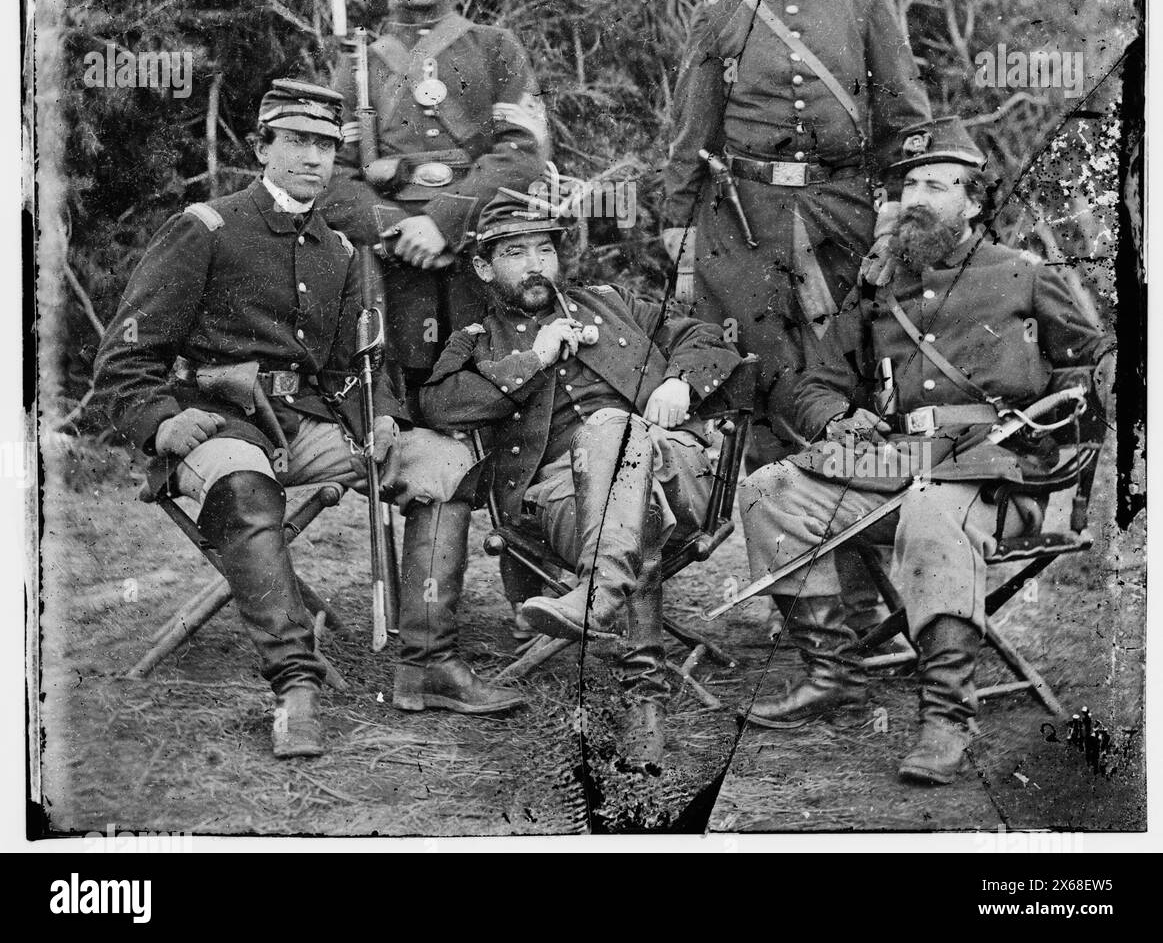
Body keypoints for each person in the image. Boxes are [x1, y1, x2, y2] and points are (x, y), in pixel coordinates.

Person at [734, 116, 1116, 785]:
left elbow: (1097, 360)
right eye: (908, 184)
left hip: (1005, 481)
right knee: (769, 489)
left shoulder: (1023, 274)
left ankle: (946, 716)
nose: (915, 197)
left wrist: (1072, 430)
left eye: (936, 185)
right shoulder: (878, 287)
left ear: (973, 202)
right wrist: (837, 417)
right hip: (897, 466)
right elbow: (814, 380)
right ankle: (834, 672)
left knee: (933, 506)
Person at [94, 80, 410, 758]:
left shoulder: (342, 251)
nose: (311, 158)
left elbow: (357, 366)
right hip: (211, 421)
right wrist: (158, 425)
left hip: (301, 422)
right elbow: (126, 352)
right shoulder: (207, 227)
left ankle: (430, 654)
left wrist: (380, 416)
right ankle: (296, 684)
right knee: (243, 488)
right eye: (295, 141)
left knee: (427, 464)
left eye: (325, 145)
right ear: (262, 146)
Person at [418, 191, 743, 764]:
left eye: (544, 249)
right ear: (483, 267)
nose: (535, 263)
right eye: (515, 253)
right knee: (629, 508)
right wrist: (533, 361)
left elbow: (706, 336)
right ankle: (644, 694)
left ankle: (594, 598)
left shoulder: (615, 304)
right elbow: (440, 405)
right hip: (560, 502)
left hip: (675, 470)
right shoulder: (475, 342)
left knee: (611, 430)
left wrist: (682, 383)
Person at [661, 0, 933, 467]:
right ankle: (772, 512)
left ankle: (859, 505)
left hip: (843, 213)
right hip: (746, 219)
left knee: (851, 364)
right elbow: (691, 138)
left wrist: (895, 209)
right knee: (756, 377)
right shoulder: (720, 15)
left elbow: (906, 120)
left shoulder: (864, 1)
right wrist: (678, 229)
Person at [321, 0, 549, 382]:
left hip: (483, 247)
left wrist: (443, 222)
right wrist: (399, 228)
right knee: (401, 393)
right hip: (393, 264)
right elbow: (332, 175)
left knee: (500, 377)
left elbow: (524, 152)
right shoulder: (359, 64)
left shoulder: (494, 47)